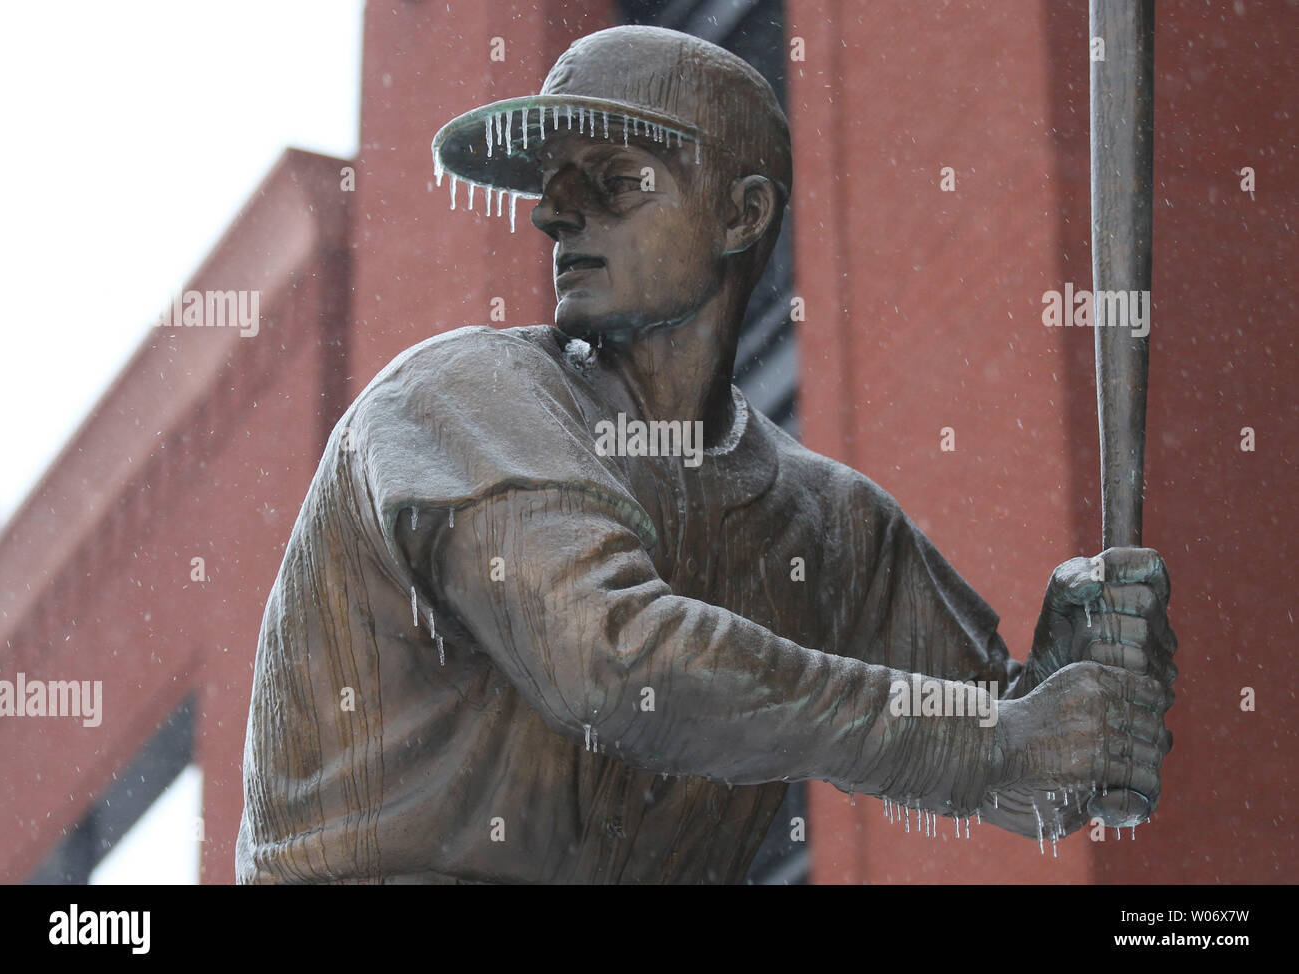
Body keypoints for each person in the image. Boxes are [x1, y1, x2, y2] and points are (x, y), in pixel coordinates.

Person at [236, 25, 1176, 884]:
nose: (554, 215)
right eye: (554, 183)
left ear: (741, 214)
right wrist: (1000, 742)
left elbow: (1027, 770)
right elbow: (611, 661)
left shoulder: (832, 526)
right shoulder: (456, 398)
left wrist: (1086, 688)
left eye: (610, 178)